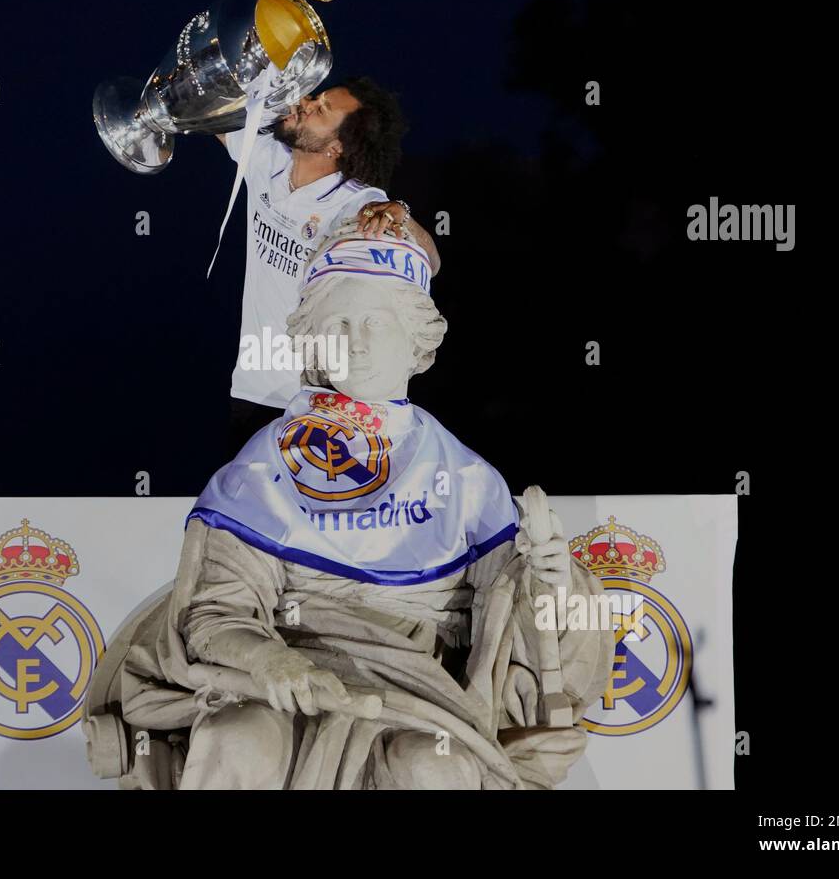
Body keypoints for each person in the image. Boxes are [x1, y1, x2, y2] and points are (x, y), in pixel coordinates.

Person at [91, 220, 613, 789]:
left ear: (415, 340)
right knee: (236, 736)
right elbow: (215, 614)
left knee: (433, 765)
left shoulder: (465, 479)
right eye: (338, 325)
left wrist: (554, 584)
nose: (356, 342)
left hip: (416, 695)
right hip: (283, 675)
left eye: (374, 323)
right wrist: (268, 661)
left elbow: (514, 621)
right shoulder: (264, 468)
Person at [216, 77, 441, 454]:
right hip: (253, 389)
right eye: (314, 98)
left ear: (337, 146)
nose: (305, 102)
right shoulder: (266, 157)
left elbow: (431, 260)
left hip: (322, 401)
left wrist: (401, 215)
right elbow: (213, 115)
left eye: (321, 109)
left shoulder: (357, 202)